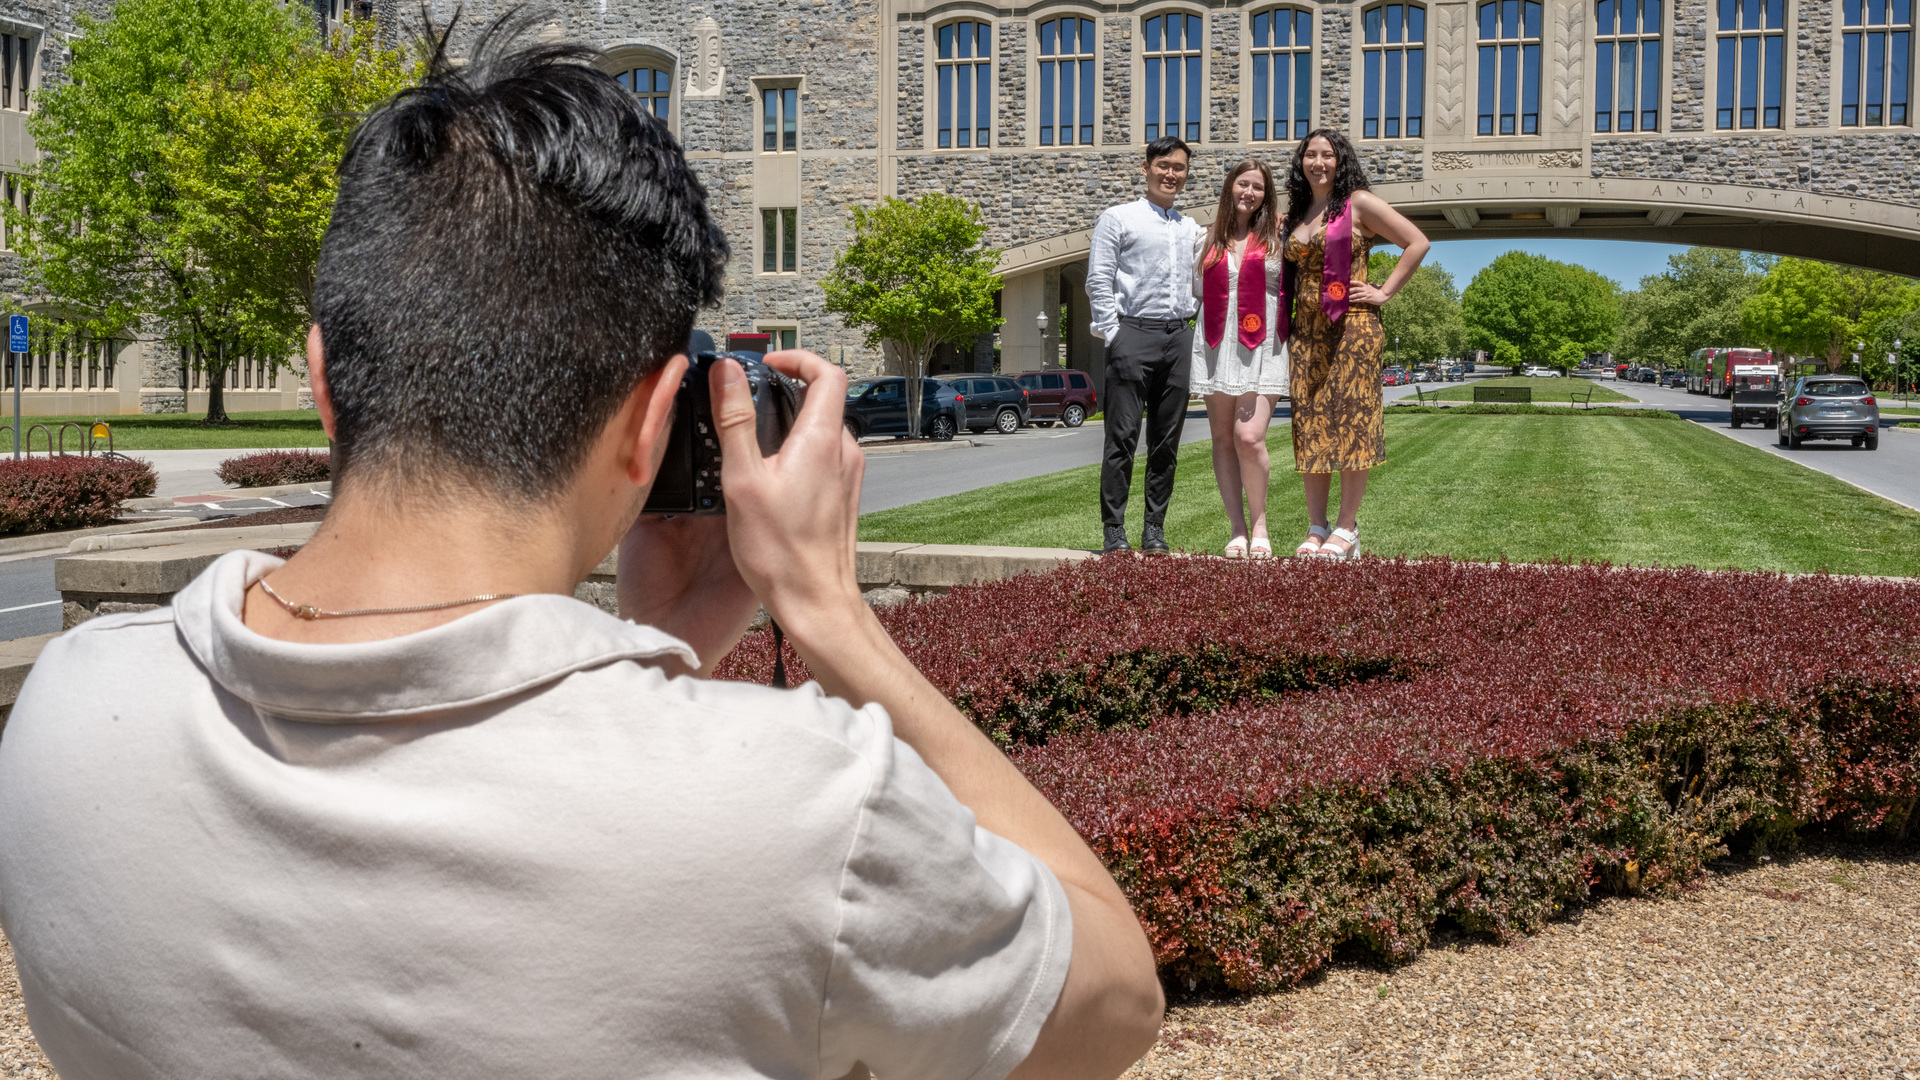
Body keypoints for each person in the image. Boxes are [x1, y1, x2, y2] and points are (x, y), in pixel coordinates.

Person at [0, 16, 1164, 1080]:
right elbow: (1114, 999)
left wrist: (645, 650)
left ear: (323, 379)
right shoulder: (798, 809)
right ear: (659, 424)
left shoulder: (66, 714)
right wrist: (829, 615)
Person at [1277, 129, 1430, 559]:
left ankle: (1347, 528)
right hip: (1306, 334)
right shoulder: (1298, 212)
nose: (1318, 162)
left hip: (1353, 329)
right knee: (1311, 424)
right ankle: (1316, 526)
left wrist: (1384, 292)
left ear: (1340, 160)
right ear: (1301, 161)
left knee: (1353, 421)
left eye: (1328, 154)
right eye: (1311, 154)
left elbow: (1417, 242)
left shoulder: (1358, 202)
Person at [1085, 136, 1204, 555]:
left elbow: (1207, 278)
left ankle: (1154, 528)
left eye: (1180, 168)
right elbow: (1098, 278)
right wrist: (1113, 332)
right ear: (1146, 167)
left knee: (1166, 441)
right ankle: (1113, 530)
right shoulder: (1118, 218)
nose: (1171, 174)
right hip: (1131, 333)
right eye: (1164, 165)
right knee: (1121, 436)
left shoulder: (1192, 229)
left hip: (1178, 337)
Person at [1190, 159, 1288, 559]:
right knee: (1222, 439)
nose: (1249, 192)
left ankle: (1261, 524)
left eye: (1258, 187)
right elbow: (1194, 289)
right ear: (1230, 187)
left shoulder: (1280, 235)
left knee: (1249, 436)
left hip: (1264, 344)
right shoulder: (1206, 239)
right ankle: (1237, 528)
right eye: (1243, 184)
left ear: (1267, 195)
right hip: (1217, 342)